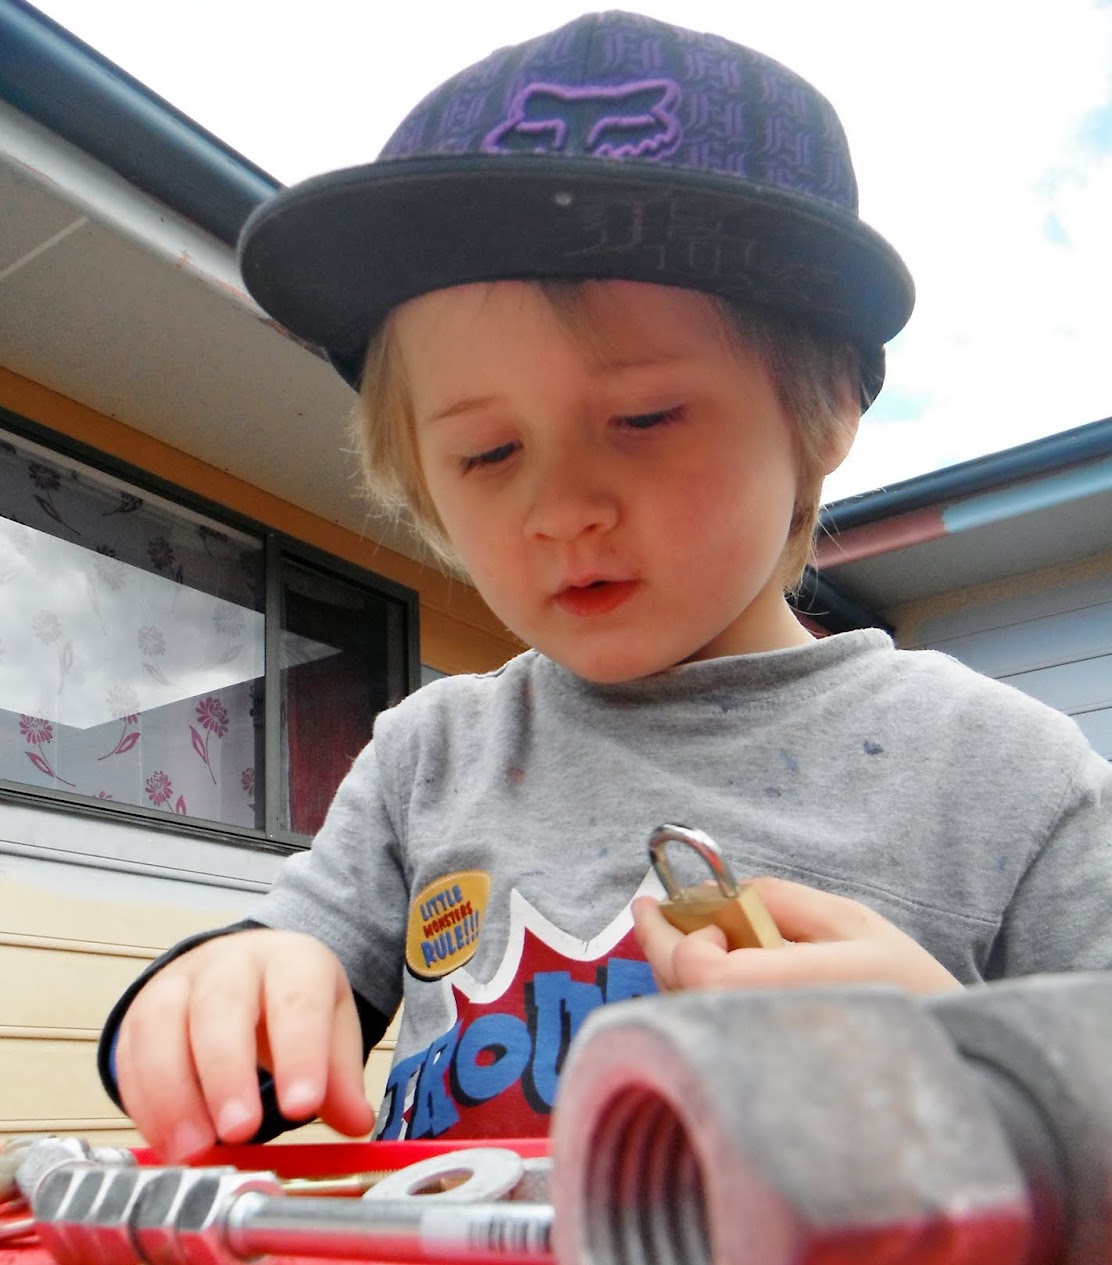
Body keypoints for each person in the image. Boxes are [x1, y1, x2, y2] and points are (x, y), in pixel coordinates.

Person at [98, 10, 1112, 1160]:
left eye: (641, 418)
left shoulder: (1006, 778)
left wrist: (982, 1077)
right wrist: (223, 993)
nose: (560, 507)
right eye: (485, 453)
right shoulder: (430, 756)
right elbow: (274, 973)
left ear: (820, 415)